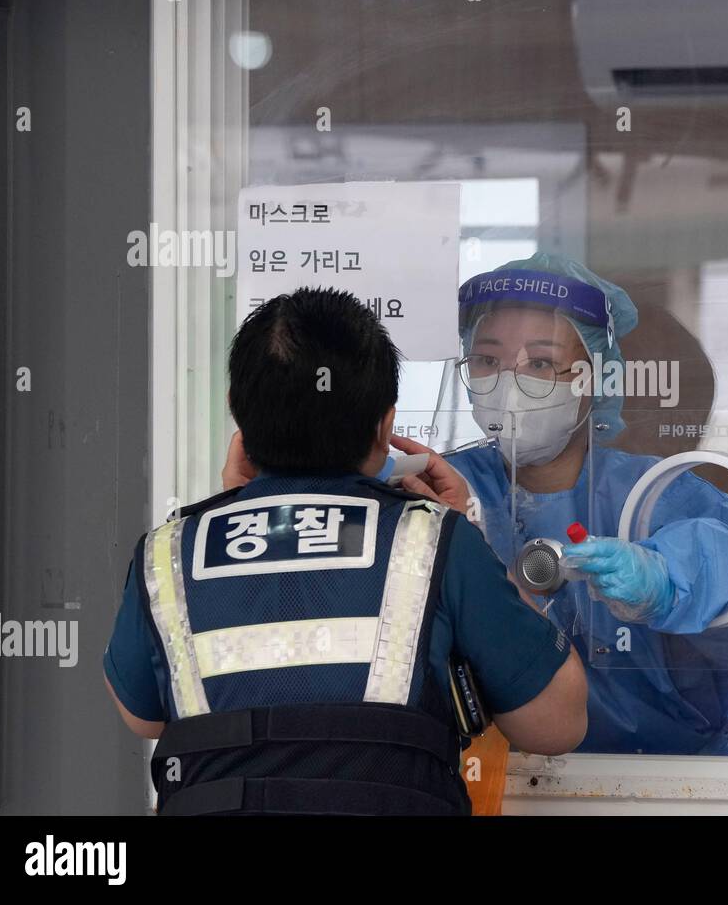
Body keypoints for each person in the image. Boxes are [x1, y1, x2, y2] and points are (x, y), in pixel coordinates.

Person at [225, 255, 728, 756]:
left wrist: (667, 581)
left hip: (663, 786)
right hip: (491, 781)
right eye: (487, 361)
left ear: (595, 378)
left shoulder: (656, 493)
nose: (509, 384)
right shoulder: (437, 486)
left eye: (540, 364)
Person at [104, 288, 586, 816]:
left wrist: (235, 506)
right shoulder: (433, 542)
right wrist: (469, 530)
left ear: (238, 419)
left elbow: (144, 716)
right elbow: (557, 723)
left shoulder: (167, 554)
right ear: (385, 425)